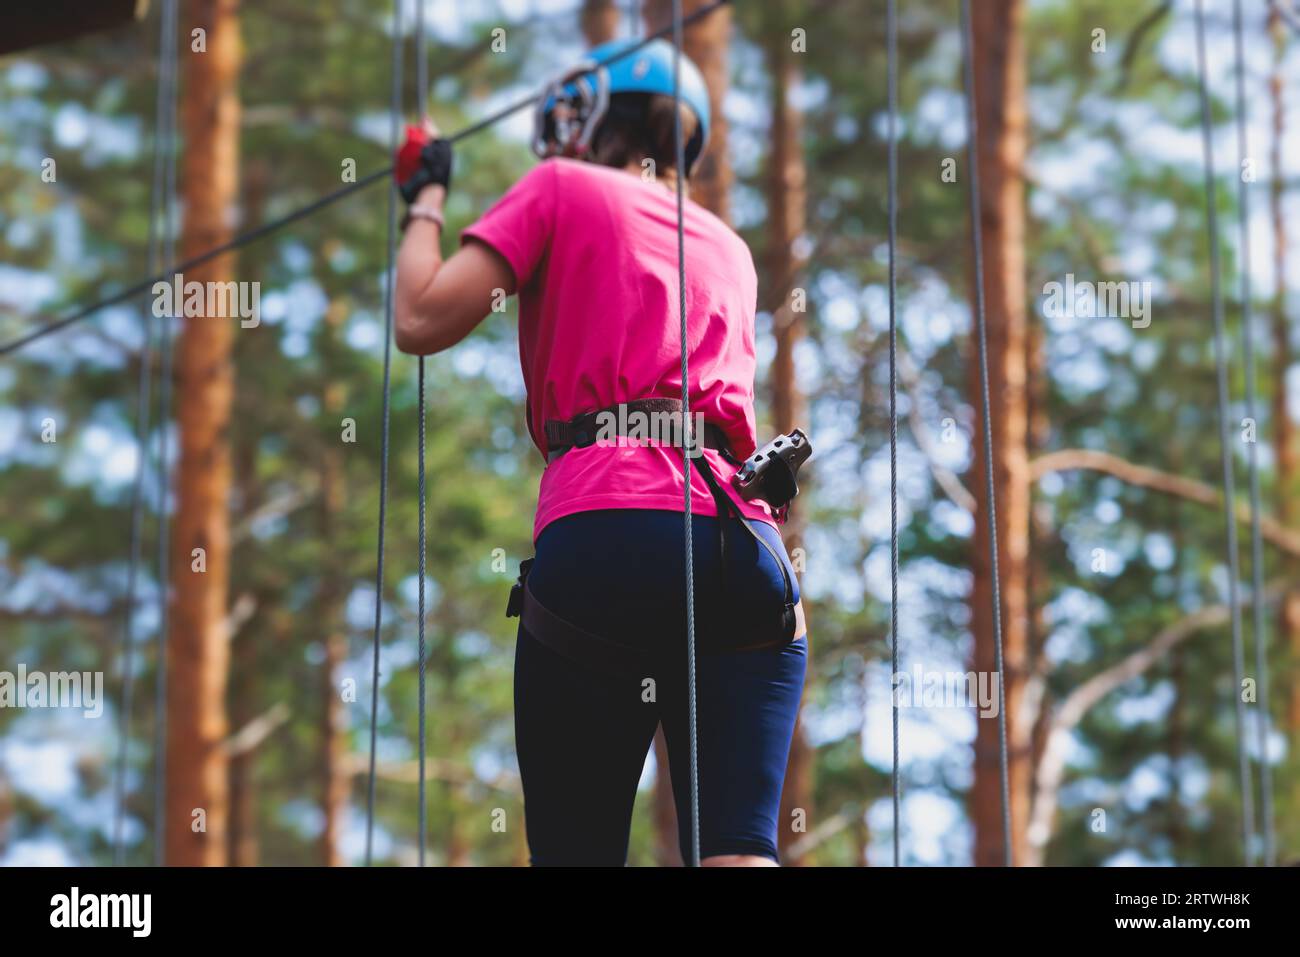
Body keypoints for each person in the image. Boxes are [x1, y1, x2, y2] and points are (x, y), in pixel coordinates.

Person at [393, 38, 808, 867]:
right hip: (741, 543)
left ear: (587, 119)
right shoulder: (730, 246)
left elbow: (421, 318)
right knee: (739, 849)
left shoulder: (558, 187)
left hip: (608, 528)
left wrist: (425, 196)